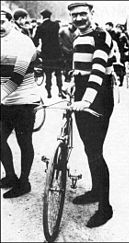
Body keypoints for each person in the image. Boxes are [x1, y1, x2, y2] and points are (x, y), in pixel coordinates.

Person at [67, 2, 115, 228]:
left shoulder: (101, 35)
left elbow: (97, 69)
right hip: (83, 94)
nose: (78, 18)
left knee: (96, 151)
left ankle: (105, 208)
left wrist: (86, 100)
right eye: (74, 15)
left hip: (99, 96)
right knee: (89, 148)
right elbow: (81, 68)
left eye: (83, 14)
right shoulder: (78, 37)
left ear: (92, 14)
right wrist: (72, 82)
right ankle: (96, 191)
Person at [0, 7, 40, 198]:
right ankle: (10, 176)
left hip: (24, 101)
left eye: (1, 22)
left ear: (11, 21)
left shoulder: (24, 42)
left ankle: (24, 183)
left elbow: (17, 76)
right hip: (5, 101)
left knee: (24, 142)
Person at [33, 9, 63, 98]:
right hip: (57, 54)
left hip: (46, 55)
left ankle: (49, 92)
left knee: (48, 74)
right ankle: (60, 91)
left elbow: (36, 42)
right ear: (50, 16)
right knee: (58, 73)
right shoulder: (56, 25)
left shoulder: (40, 27)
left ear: (42, 16)